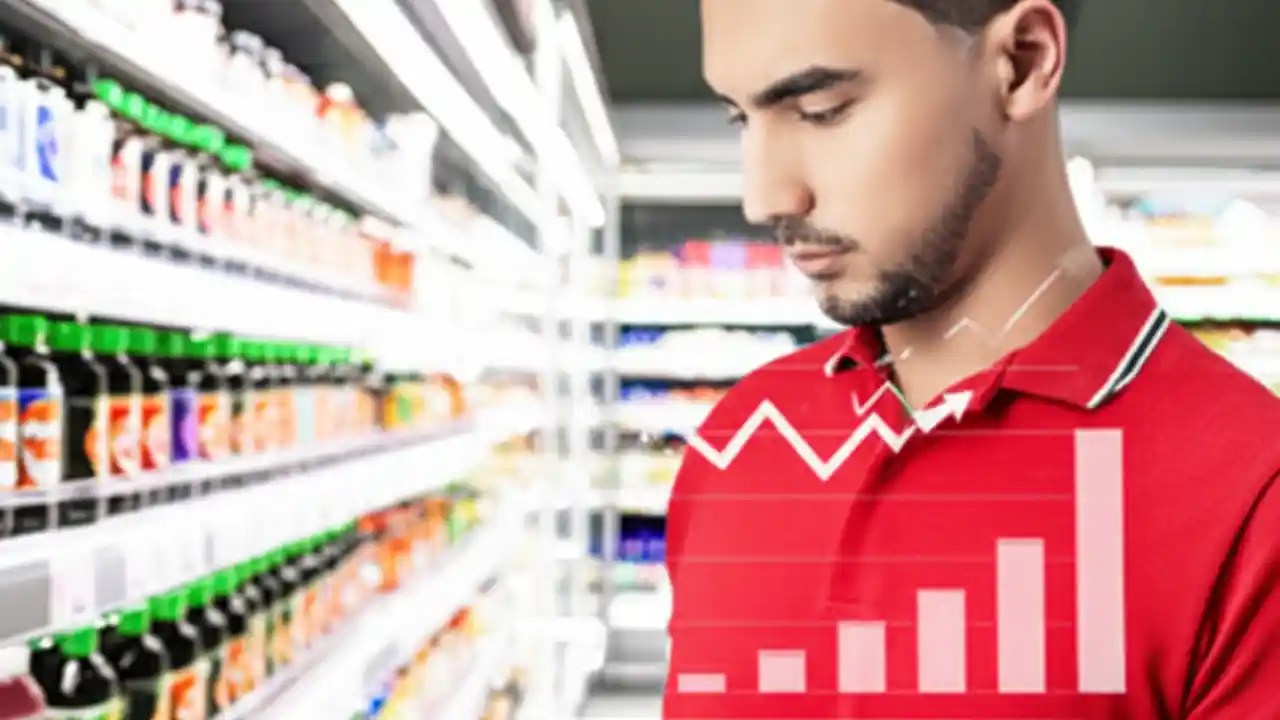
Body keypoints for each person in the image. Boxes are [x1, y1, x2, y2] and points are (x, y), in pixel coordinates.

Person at [664, 1, 1280, 718]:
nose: (764, 196)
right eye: (740, 118)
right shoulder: (739, 439)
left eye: (823, 110)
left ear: (1021, 62)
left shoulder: (1252, 498)